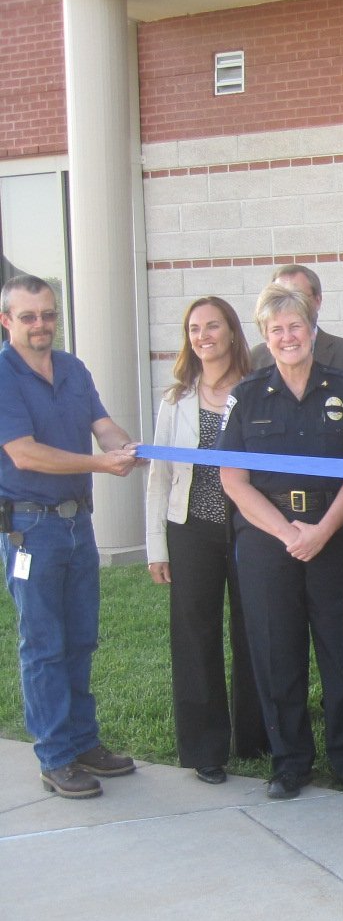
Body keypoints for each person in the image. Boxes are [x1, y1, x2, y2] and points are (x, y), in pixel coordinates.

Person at [219, 283, 343, 801]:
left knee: (342, 651)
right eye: (276, 329)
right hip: (270, 542)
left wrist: (324, 530)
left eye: (296, 326)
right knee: (275, 650)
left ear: (312, 330)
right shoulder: (245, 395)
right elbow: (233, 480)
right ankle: (289, 762)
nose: (288, 336)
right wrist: (288, 532)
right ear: (265, 337)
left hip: (333, 535)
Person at [0, 274, 142, 799]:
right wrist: (104, 464)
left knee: (81, 637)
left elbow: (103, 424)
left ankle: (84, 743)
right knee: (43, 644)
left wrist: (128, 448)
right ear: (7, 321)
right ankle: (55, 756)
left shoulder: (73, 368)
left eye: (49, 314)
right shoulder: (3, 374)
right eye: (29, 316)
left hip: (77, 523)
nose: (42, 326)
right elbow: (24, 452)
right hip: (28, 529)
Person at [145, 296, 267, 784]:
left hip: (249, 528)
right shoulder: (176, 400)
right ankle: (204, 749)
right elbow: (159, 474)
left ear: (232, 333)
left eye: (212, 326)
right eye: (194, 328)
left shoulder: (259, 390)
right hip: (191, 528)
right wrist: (156, 545)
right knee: (195, 635)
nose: (202, 336)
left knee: (253, 629)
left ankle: (256, 737)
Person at [247, 264, 343, 373]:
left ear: (318, 300)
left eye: (297, 296)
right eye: (278, 297)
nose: (287, 303)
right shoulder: (255, 359)